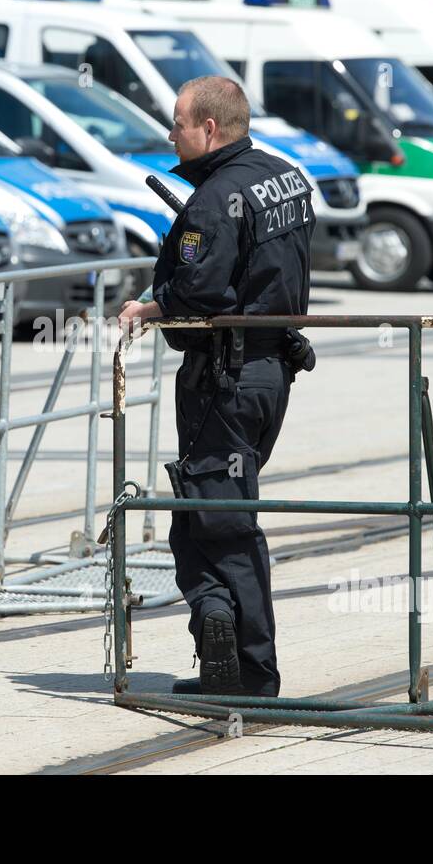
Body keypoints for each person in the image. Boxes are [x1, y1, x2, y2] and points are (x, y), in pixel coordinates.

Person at [118, 75, 314, 697]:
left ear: (208, 129)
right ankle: (221, 642)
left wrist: (153, 305)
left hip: (224, 380)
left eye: (176, 124)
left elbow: (199, 291)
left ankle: (248, 668)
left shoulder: (215, 198)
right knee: (208, 510)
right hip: (270, 371)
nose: (169, 135)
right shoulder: (284, 175)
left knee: (220, 520)